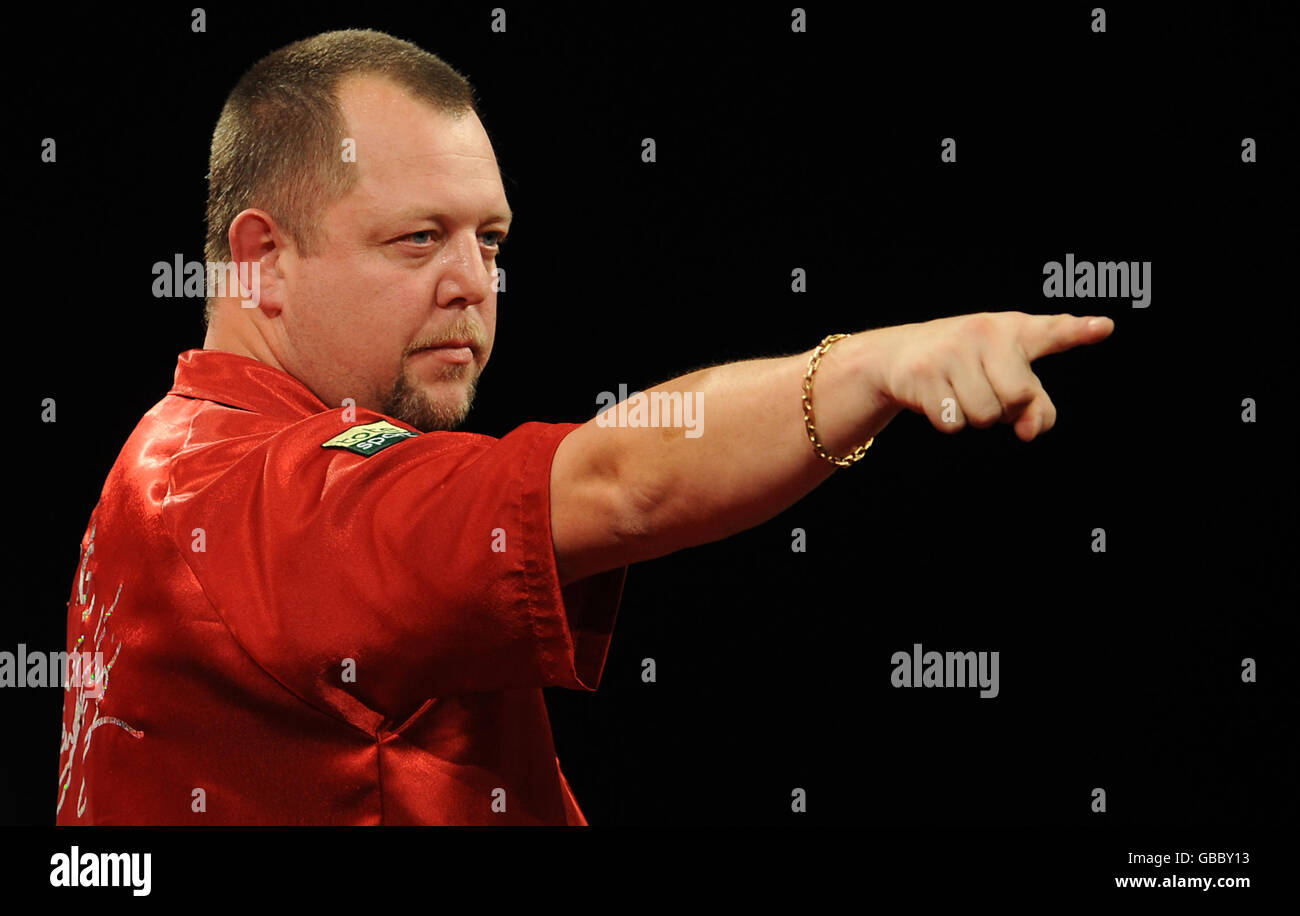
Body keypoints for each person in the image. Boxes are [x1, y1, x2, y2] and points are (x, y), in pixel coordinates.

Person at [56, 29, 1114, 825]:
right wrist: (868, 367)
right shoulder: (266, 494)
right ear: (262, 260)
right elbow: (619, 481)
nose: (474, 284)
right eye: (418, 238)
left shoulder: (167, 458)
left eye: (492, 239)